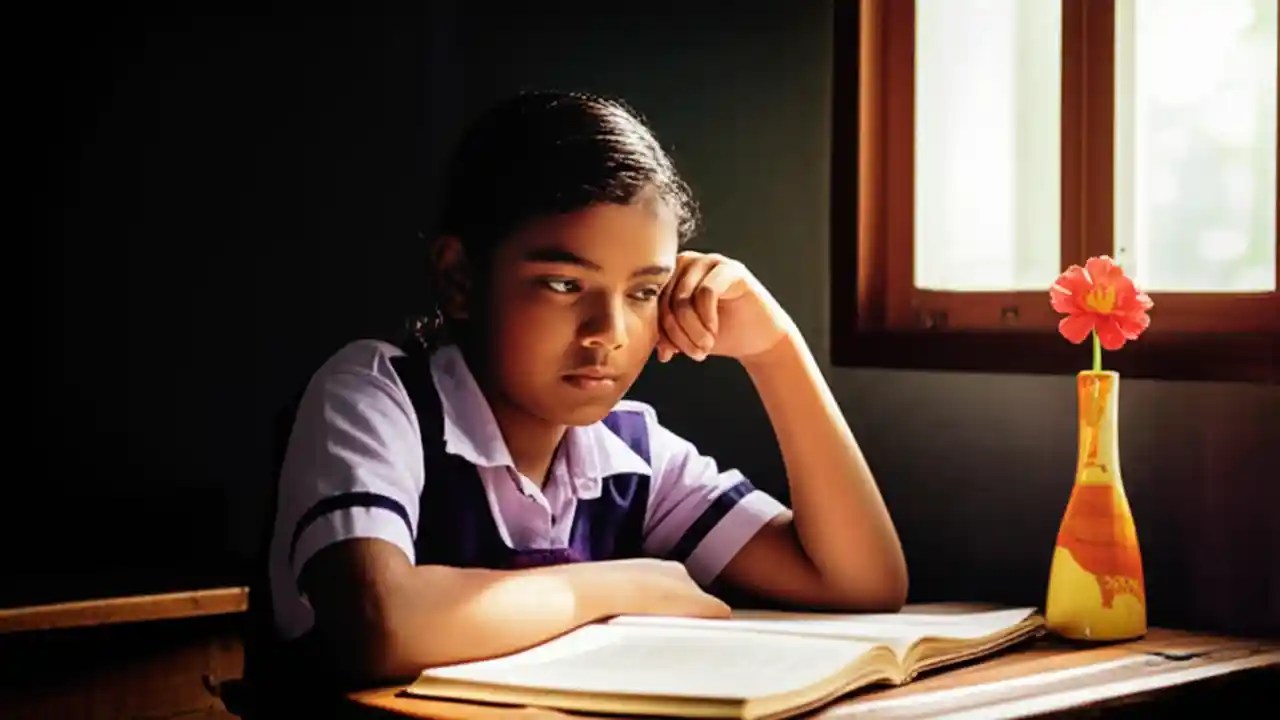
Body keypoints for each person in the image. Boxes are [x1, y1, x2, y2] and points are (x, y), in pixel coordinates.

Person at [263, 90, 907, 689]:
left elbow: (860, 581)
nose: (608, 332)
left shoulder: (630, 451)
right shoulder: (376, 396)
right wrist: (619, 587)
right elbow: (378, 622)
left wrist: (777, 351)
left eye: (644, 292)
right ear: (459, 278)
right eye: (564, 285)